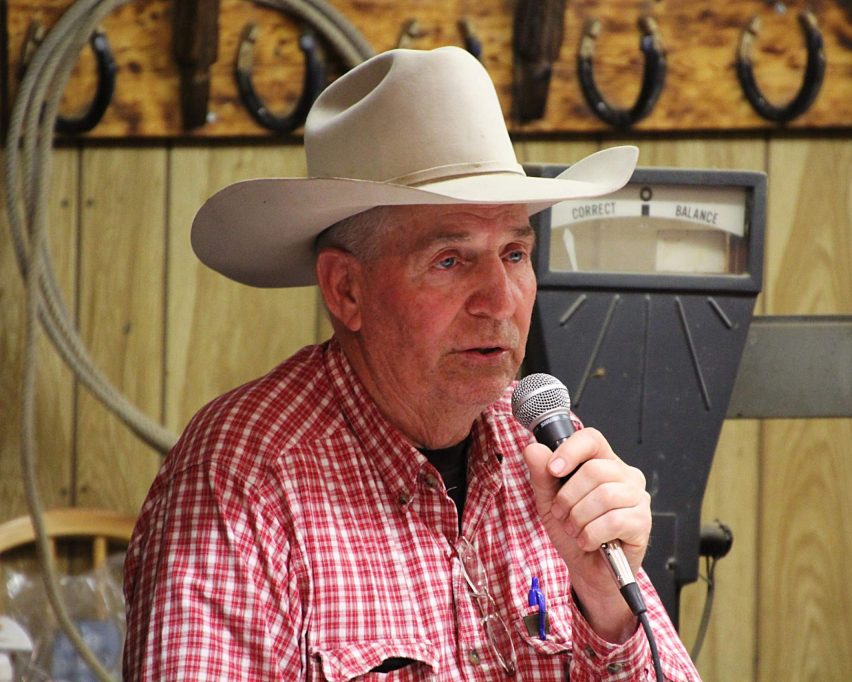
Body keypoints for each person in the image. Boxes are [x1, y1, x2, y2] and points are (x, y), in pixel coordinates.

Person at [123, 47, 701, 681]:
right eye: (450, 260)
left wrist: (605, 609)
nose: (500, 302)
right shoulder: (244, 475)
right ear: (346, 290)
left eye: (514, 254)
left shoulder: (540, 447)